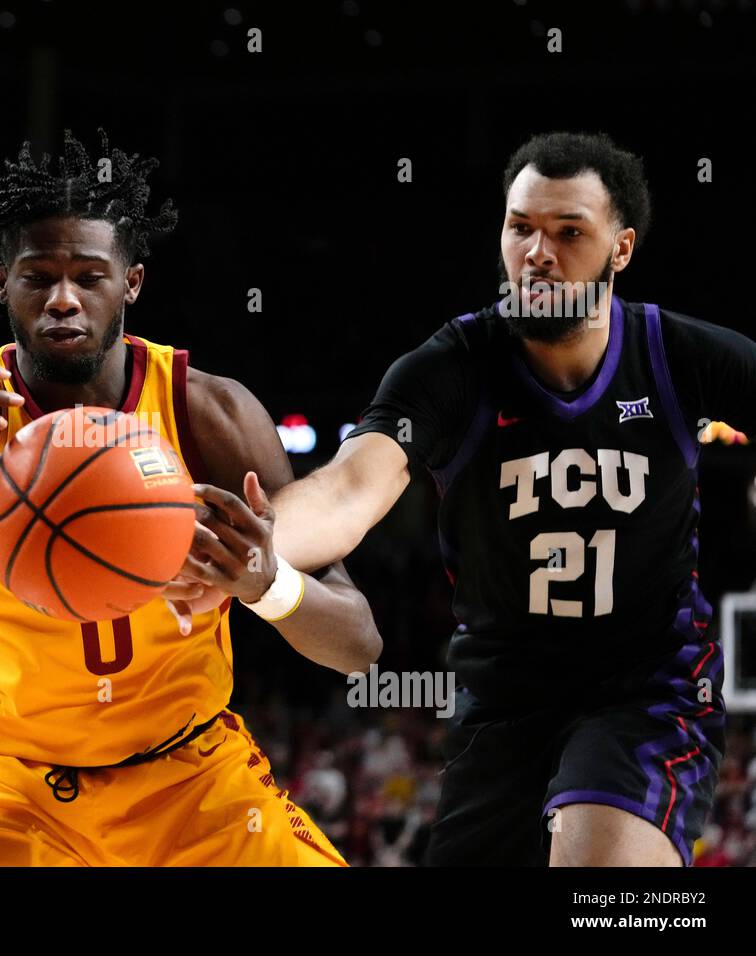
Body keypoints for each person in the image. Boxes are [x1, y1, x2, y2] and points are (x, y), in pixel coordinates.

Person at [0, 130, 382, 866]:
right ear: (0, 282)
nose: (63, 299)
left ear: (132, 283)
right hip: (13, 787)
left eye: (89, 276)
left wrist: (266, 584)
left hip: (194, 782)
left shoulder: (207, 412)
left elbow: (359, 646)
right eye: (38, 276)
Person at [181, 132, 754, 866]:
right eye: (521, 228)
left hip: (647, 689)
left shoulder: (679, 354)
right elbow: (351, 488)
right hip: (503, 703)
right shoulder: (454, 366)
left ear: (622, 249)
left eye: (568, 232)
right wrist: (248, 547)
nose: (538, 253)